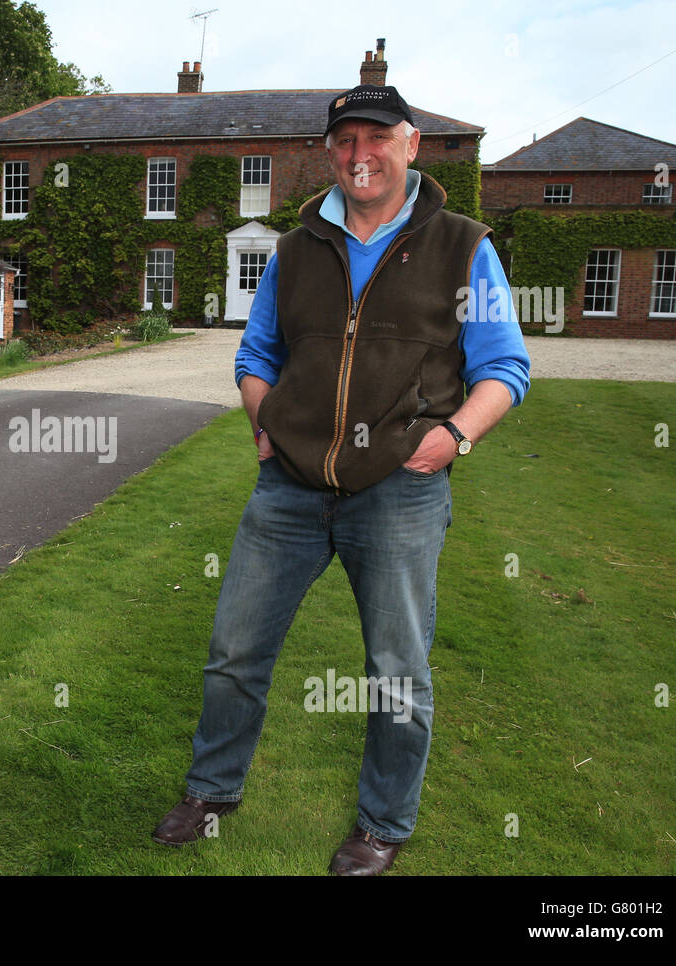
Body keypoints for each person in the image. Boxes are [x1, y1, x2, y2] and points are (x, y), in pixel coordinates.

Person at [152, 85, 531, 874]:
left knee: (396, 670)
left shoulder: (464, 245)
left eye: (376, 138)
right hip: (289, 488)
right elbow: (256, 356)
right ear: (330, 152)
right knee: (234, 651)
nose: (360, 155)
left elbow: (504, 368)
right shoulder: (295, 249)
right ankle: (213, 790)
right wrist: (264, 422)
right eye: (345, 141)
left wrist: (452, 438)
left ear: (412, 142)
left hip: (399, 490)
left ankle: (383, 825)